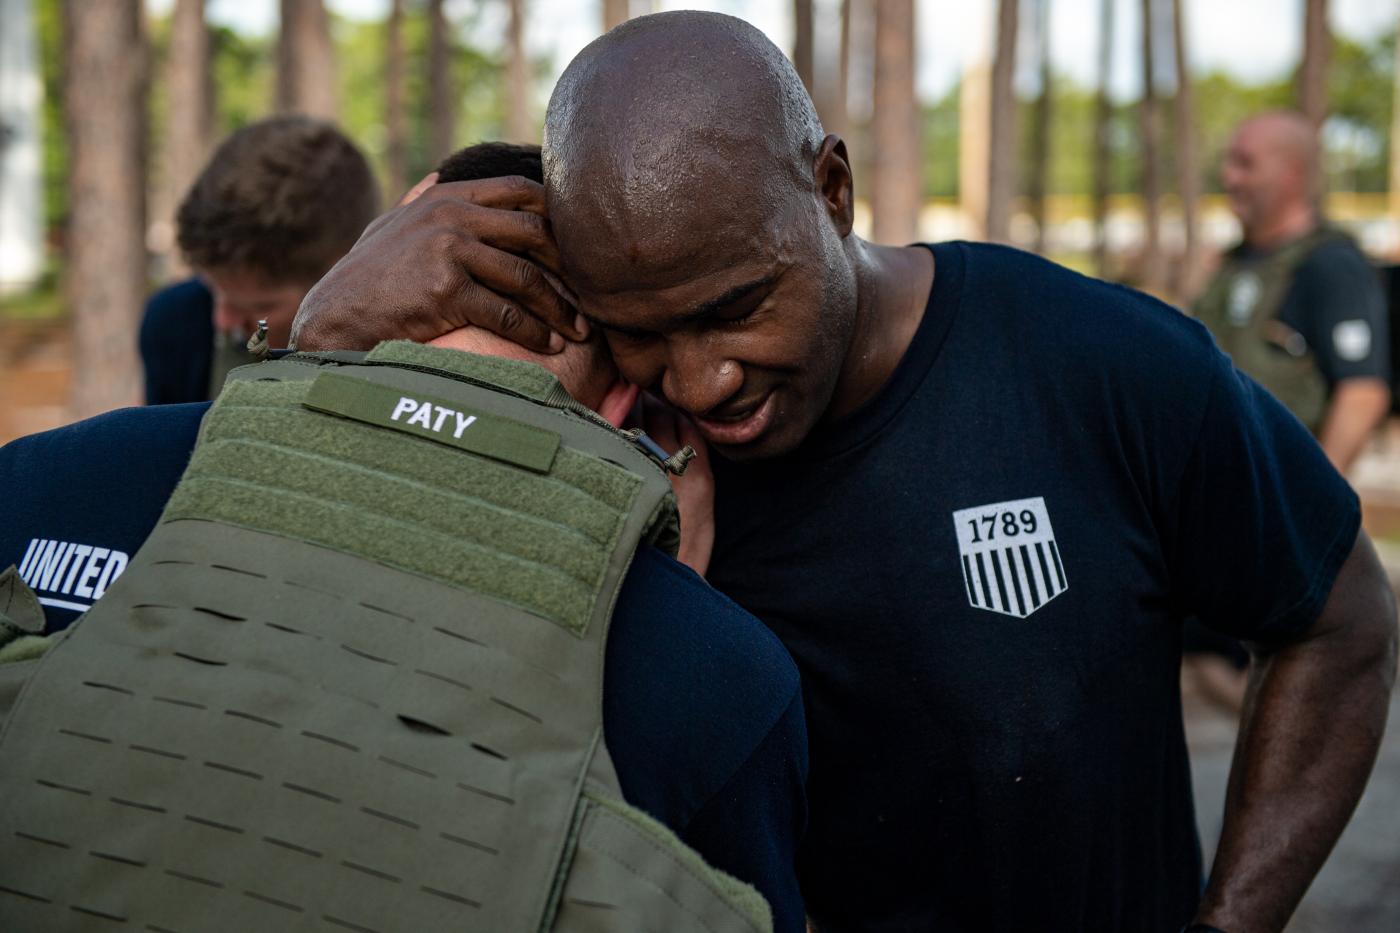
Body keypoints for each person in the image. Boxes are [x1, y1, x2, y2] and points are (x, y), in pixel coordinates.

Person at [291, 12, 1399, 933]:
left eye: (734, 306)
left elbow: (1338, 618)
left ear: (830, 191)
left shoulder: (1096, 364)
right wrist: (320, 332)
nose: (703, 375)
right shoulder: (604, 458)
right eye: (641, 328)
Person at [0, 143, 807, 933]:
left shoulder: (48, 480)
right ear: (629, 395)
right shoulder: (726, 677)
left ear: (371, 256)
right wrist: (678, 598)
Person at [1195, 111, 1391, 474]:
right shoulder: (1233, 263)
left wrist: (1315, 499)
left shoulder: (1331, 264)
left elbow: (1363, 392)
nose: (1229, 177)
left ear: (1291, 174)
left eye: (1246, 163)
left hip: (1280, 494)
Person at [139, 116, 379, 404]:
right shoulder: (177, 325)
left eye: (261, 306)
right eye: (215, 288)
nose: (223, 321)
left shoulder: (393, 358)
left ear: (346, 281)